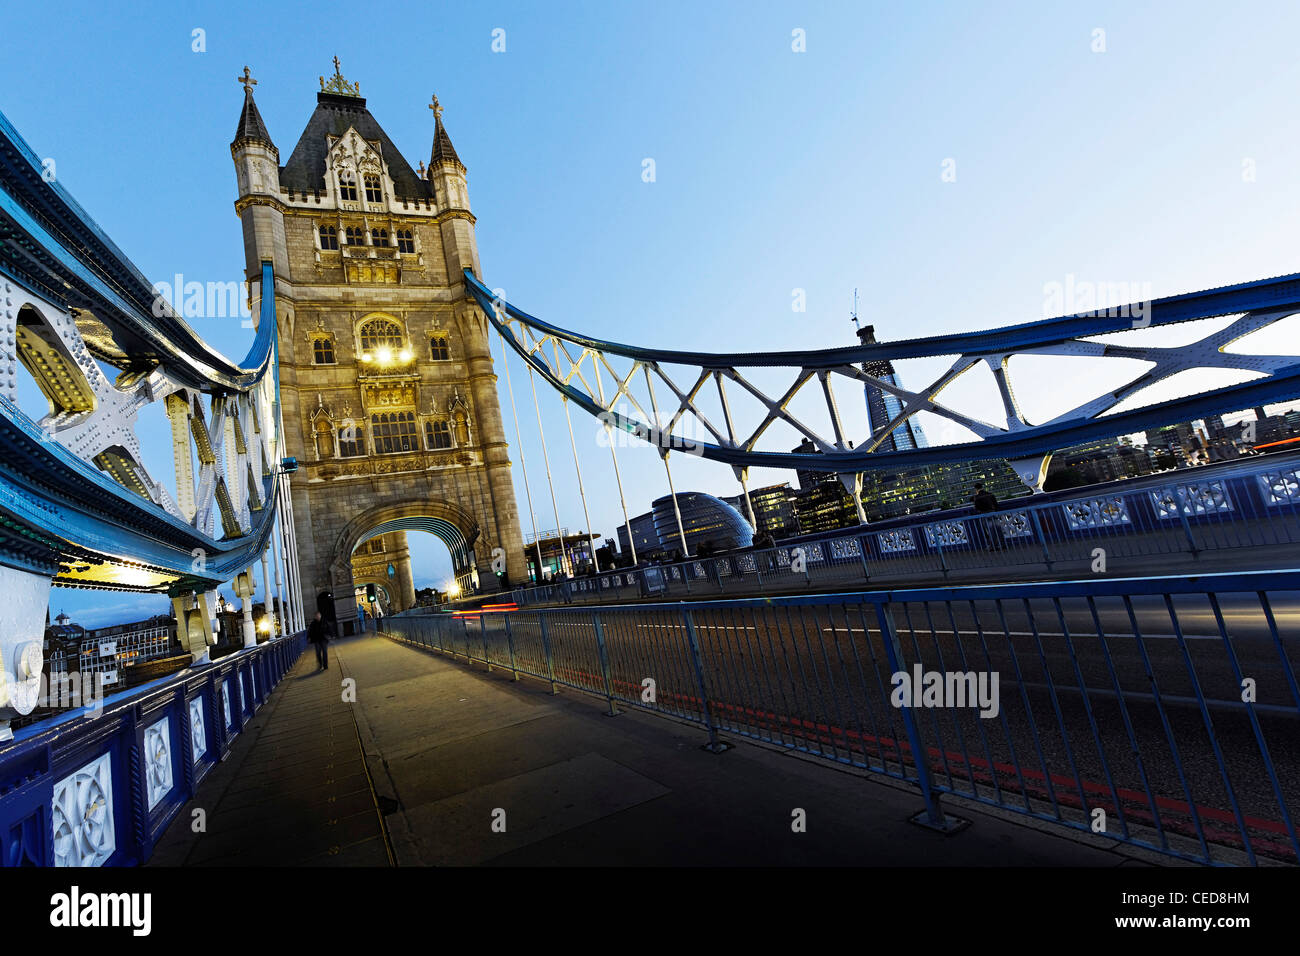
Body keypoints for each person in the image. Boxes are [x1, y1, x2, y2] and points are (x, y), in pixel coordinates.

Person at [970, 482, 1002, 551]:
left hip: (985, 514)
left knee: (990, 531)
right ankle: (1002, 544)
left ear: (976, 489)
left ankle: (993, 546)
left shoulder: (976, 497)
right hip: (993, 513)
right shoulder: (990, 494)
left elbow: (977, 508)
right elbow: (996, 504)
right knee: (998, 529)